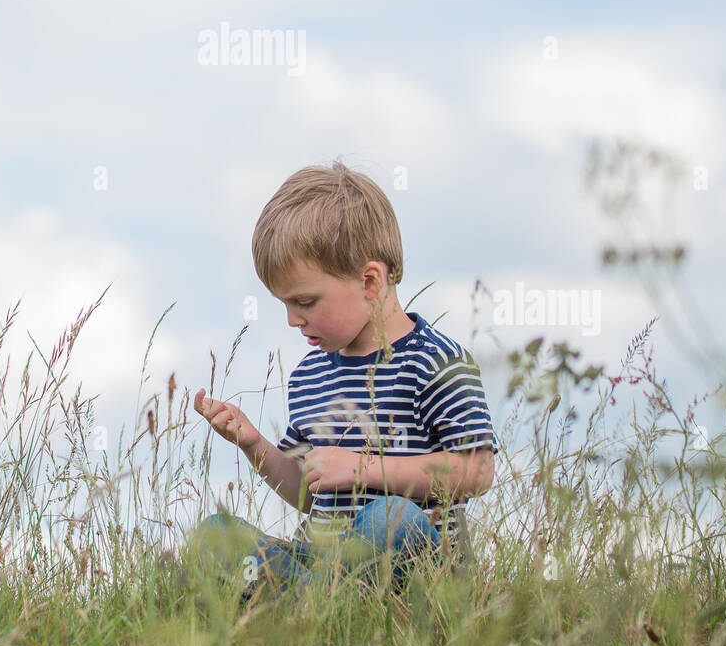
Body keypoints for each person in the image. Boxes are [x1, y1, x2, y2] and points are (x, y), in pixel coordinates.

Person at [188, 160, 497, 601]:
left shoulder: (436, 361)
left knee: (389, 518)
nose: (293, 319)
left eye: (306, 301)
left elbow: (477, 470)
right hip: (320, 559)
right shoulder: (309, 376)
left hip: (419, 568)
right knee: (216, 533)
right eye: (285, 304)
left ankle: (294, 610)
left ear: (370, 281)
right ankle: (309, 603)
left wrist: (363, 469)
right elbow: (307, 494)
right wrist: (254, 444)